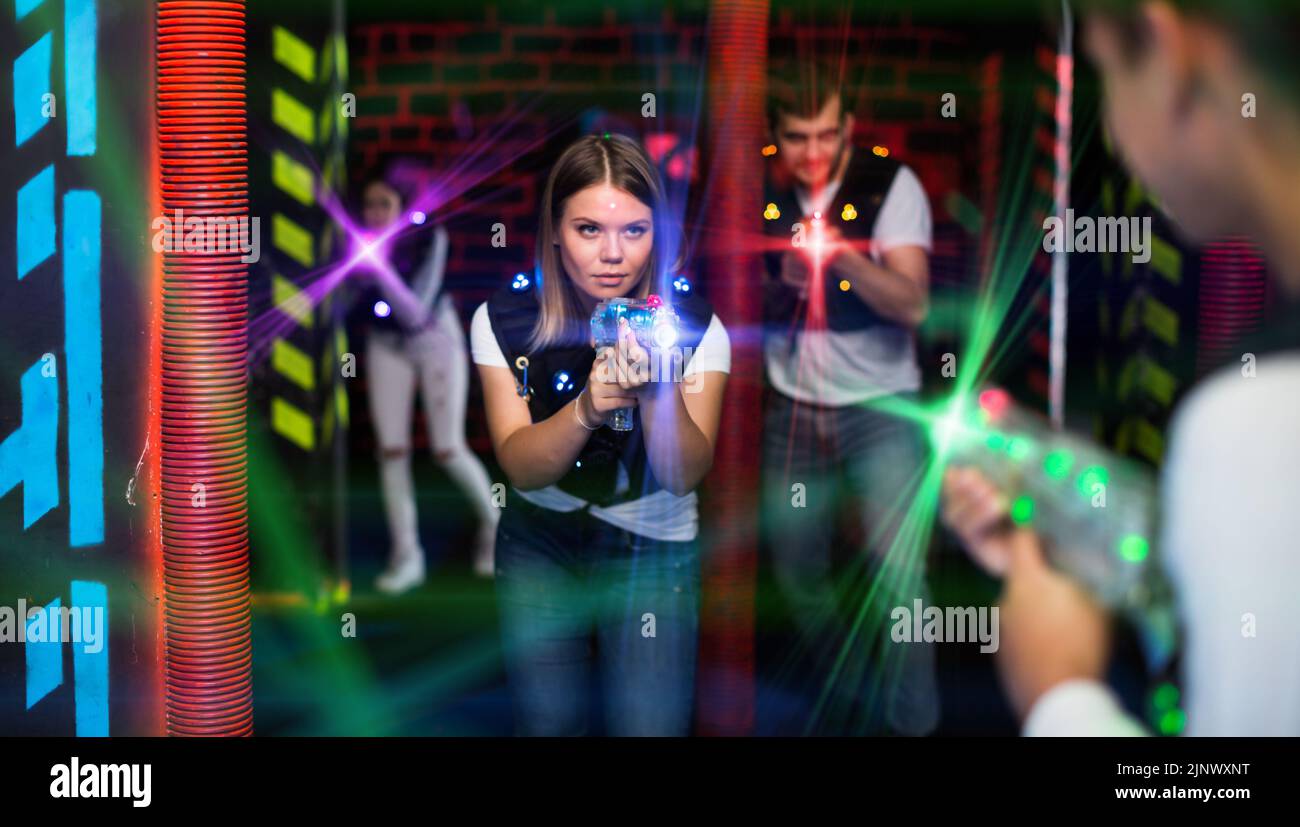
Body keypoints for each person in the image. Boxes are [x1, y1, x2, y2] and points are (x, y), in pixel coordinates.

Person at [941, 0, 1300, 736]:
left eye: (1104, 71)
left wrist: (1059, 691)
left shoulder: (1260, 424)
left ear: (1170, 53)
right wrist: (1117, 529)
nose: (1109, 125)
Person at [471, 133, 730, 736]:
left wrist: (658, 394)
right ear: (556, 231)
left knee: (649, 723)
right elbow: (522, 465)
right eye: (589, 229)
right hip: (541, 538)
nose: (613, 253)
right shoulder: (504, 317)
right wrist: (589, 406)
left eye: (634, 231)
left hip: (651, 540)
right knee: (549, 720)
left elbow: (683, 474)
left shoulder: (697, 324)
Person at [760, 63, 939, 734]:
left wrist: (841, 258)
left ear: (850, 130)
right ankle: (852, 696)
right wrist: (778, 275)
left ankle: (914, 724)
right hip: (791, 406)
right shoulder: (762, 187)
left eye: (828, 136)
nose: (813, 153)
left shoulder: (891, 185)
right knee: (796, 570)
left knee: (901, 581)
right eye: (798, 137)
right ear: (776, 135)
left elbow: (915, 303)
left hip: (881, 407)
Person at [353, 163, 499, 593]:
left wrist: (377, 266)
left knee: (448, 448)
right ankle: (407, 555)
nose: (375, 213)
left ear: (402, 206)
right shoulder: (358, 243)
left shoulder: (429, 238)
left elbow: (415, 312)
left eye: (385, 204)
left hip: (435, 339)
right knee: (392, 452)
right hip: (387, 344)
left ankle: (496, 529)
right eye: (369, 205)